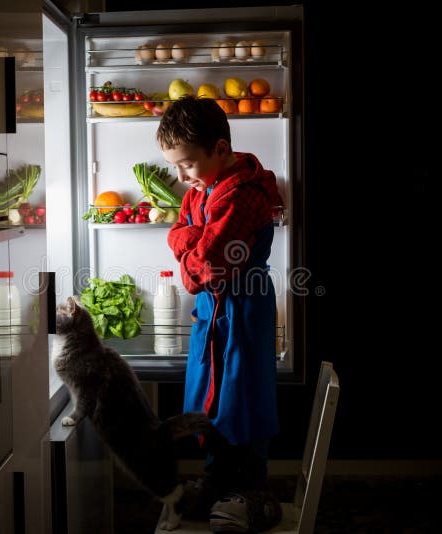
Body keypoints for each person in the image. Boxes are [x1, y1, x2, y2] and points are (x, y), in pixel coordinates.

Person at [157, 95, 284, 533]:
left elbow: (205, 269)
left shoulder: (244, 193)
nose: (181, 177)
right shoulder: (203, 188)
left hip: (243, 306)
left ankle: (253, 489)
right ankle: (217, 480)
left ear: (221, 149)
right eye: (175, 166)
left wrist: (192, 245)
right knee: (212, 399)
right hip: (212, 311)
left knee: (242, 395)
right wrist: (192, 239)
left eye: (188, 164)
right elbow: (177, 233)